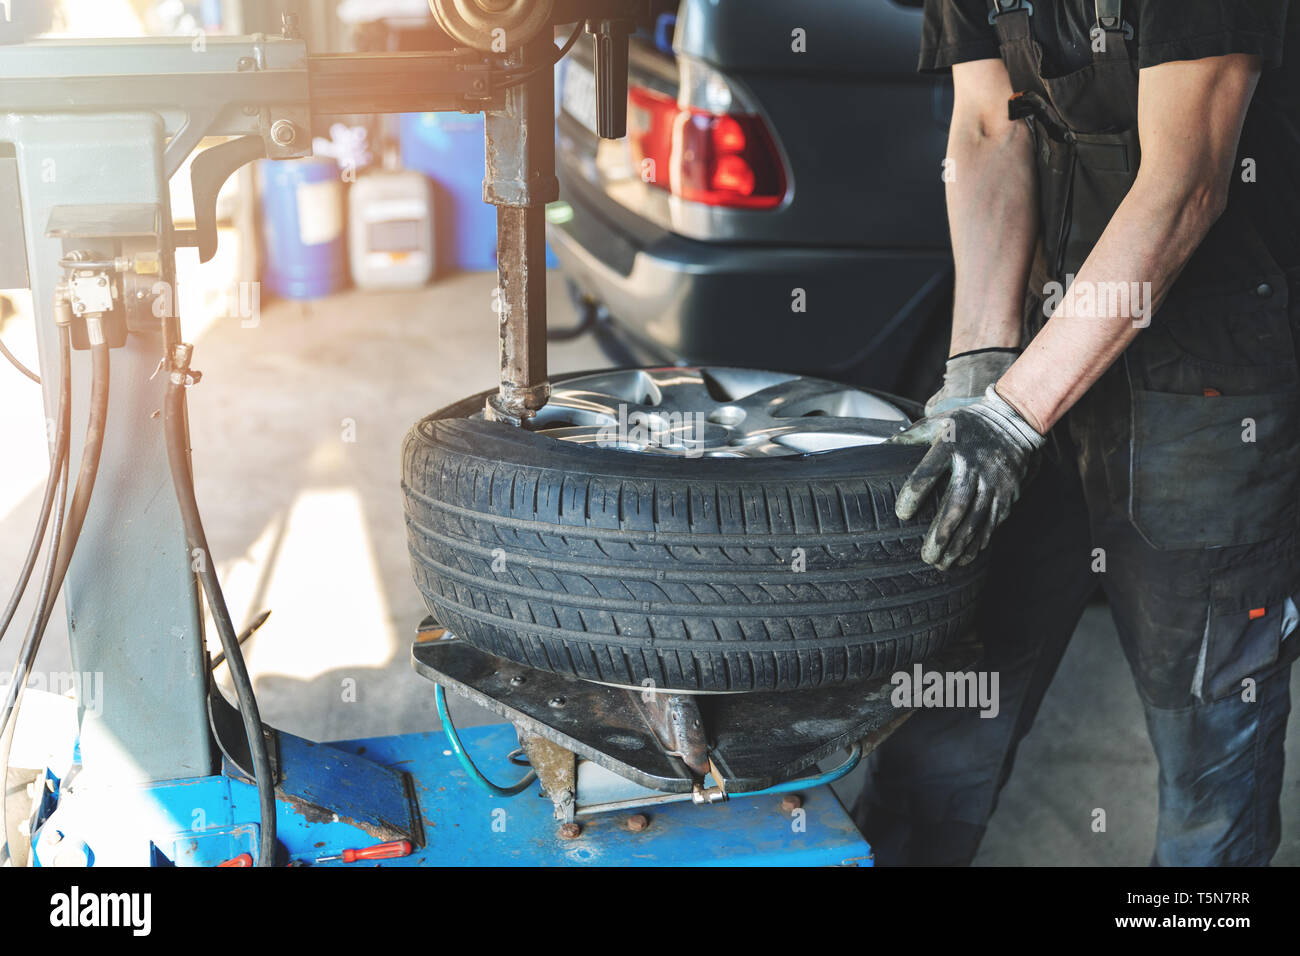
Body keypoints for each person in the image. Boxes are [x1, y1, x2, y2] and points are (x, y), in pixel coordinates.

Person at [855, 0, 1300, 865]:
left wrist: (1017, 413)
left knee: (1210, 779)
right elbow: (987, 125)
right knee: (936, 730)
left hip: (1207, 395)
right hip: (1037, 357)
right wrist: (980, 373)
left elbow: (1187, 180)